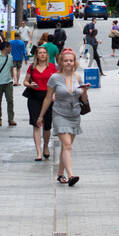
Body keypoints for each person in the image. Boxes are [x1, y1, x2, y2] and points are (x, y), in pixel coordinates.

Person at [36, 48, 88, 186]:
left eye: (71, 60)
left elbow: (83, 99)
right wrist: (41, 116)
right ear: (61, 62)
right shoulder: (55, 78)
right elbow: (48, 98)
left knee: (67, 147)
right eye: (66, 61)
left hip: (75, 115)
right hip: (59, 114)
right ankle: (71, 175)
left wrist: (85, 91)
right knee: (67, 145)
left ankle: (60, 174)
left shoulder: (77, 77)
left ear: (74, 62)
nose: (68, 63)